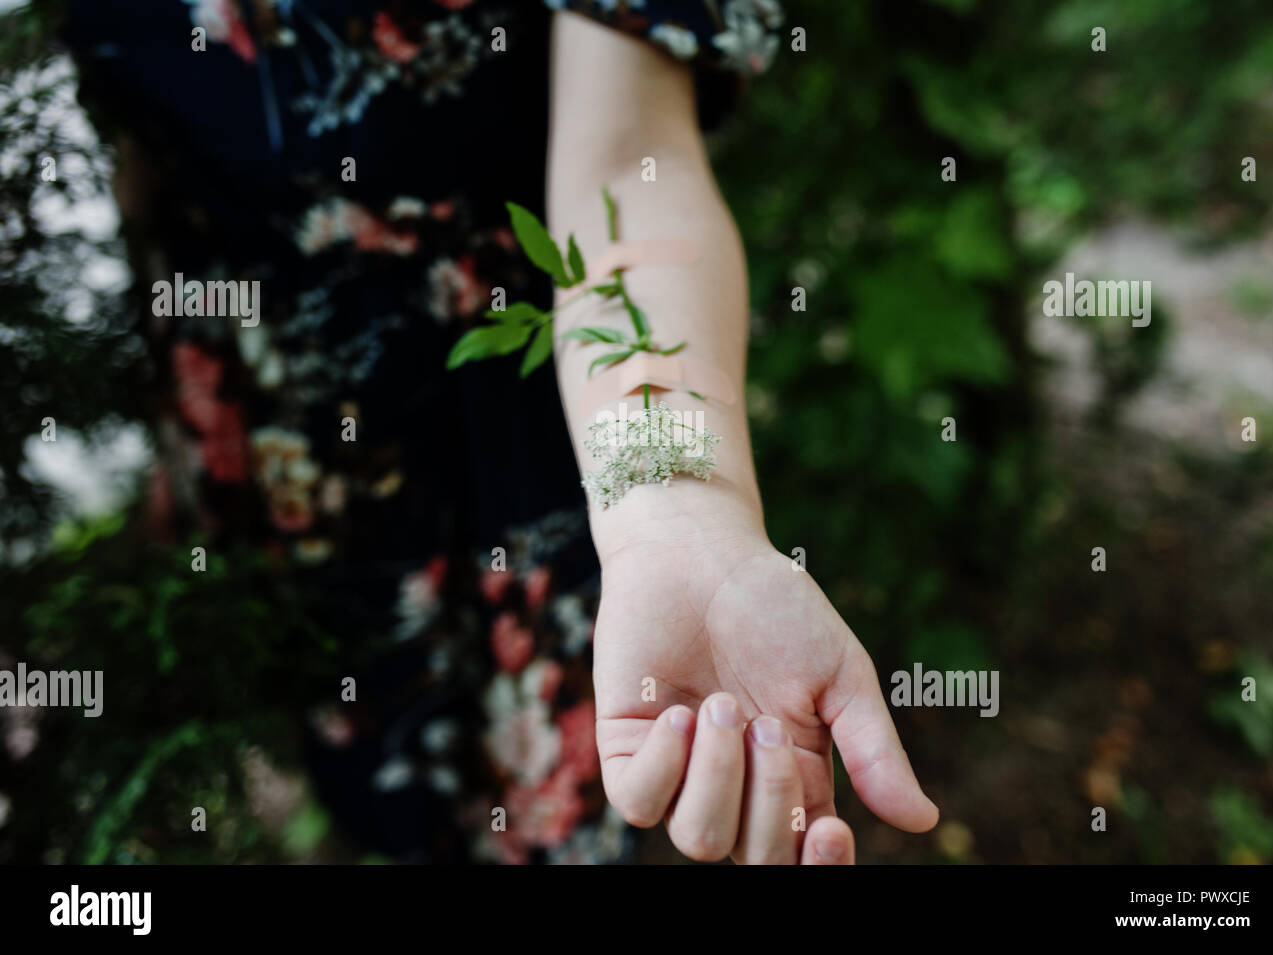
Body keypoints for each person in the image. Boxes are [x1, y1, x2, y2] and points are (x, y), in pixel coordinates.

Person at [61, 0, 937, 864]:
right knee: (358, 763)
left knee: (527, 806)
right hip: (258, 422)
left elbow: (631, 167)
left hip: (519, 436)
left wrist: (681, 512)